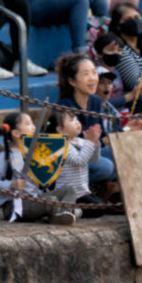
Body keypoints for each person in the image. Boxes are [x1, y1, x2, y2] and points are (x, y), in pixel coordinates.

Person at [0, 111, 79, 224]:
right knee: (51, 201)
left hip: (36, 198)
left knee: (69, 190)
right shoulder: (6, 156)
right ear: (16, 133)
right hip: (15, 205)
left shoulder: (36, 152)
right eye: (28, 124)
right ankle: (59, 212)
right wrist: (11, 184)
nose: (34, 127)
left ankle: (62, 214)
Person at [55, 52, 117, 184]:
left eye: (94, 73)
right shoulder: (64, 107)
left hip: (89, 152)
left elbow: (101, 138)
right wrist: (90, 141)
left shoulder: (95, 101)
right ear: (72, 81)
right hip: (69, 159)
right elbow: (68, 147)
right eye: (86, 74)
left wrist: (128, 130)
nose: (92, 78)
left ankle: (104, 191)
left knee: (120, 153)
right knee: (106, 166)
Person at [49, 107, 105, 217]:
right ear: (60, 129)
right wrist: (89, 142)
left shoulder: (80, 141)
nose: (77, 122)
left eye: (76, 119)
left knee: (101, 206)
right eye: (71, 120)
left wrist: (95, 143)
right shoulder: (63, 145)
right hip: (69, 194)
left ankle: (72, 210)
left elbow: (94, 159)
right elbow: (79, 161)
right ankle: (72, 211)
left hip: (83, 191)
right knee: (98, 208)